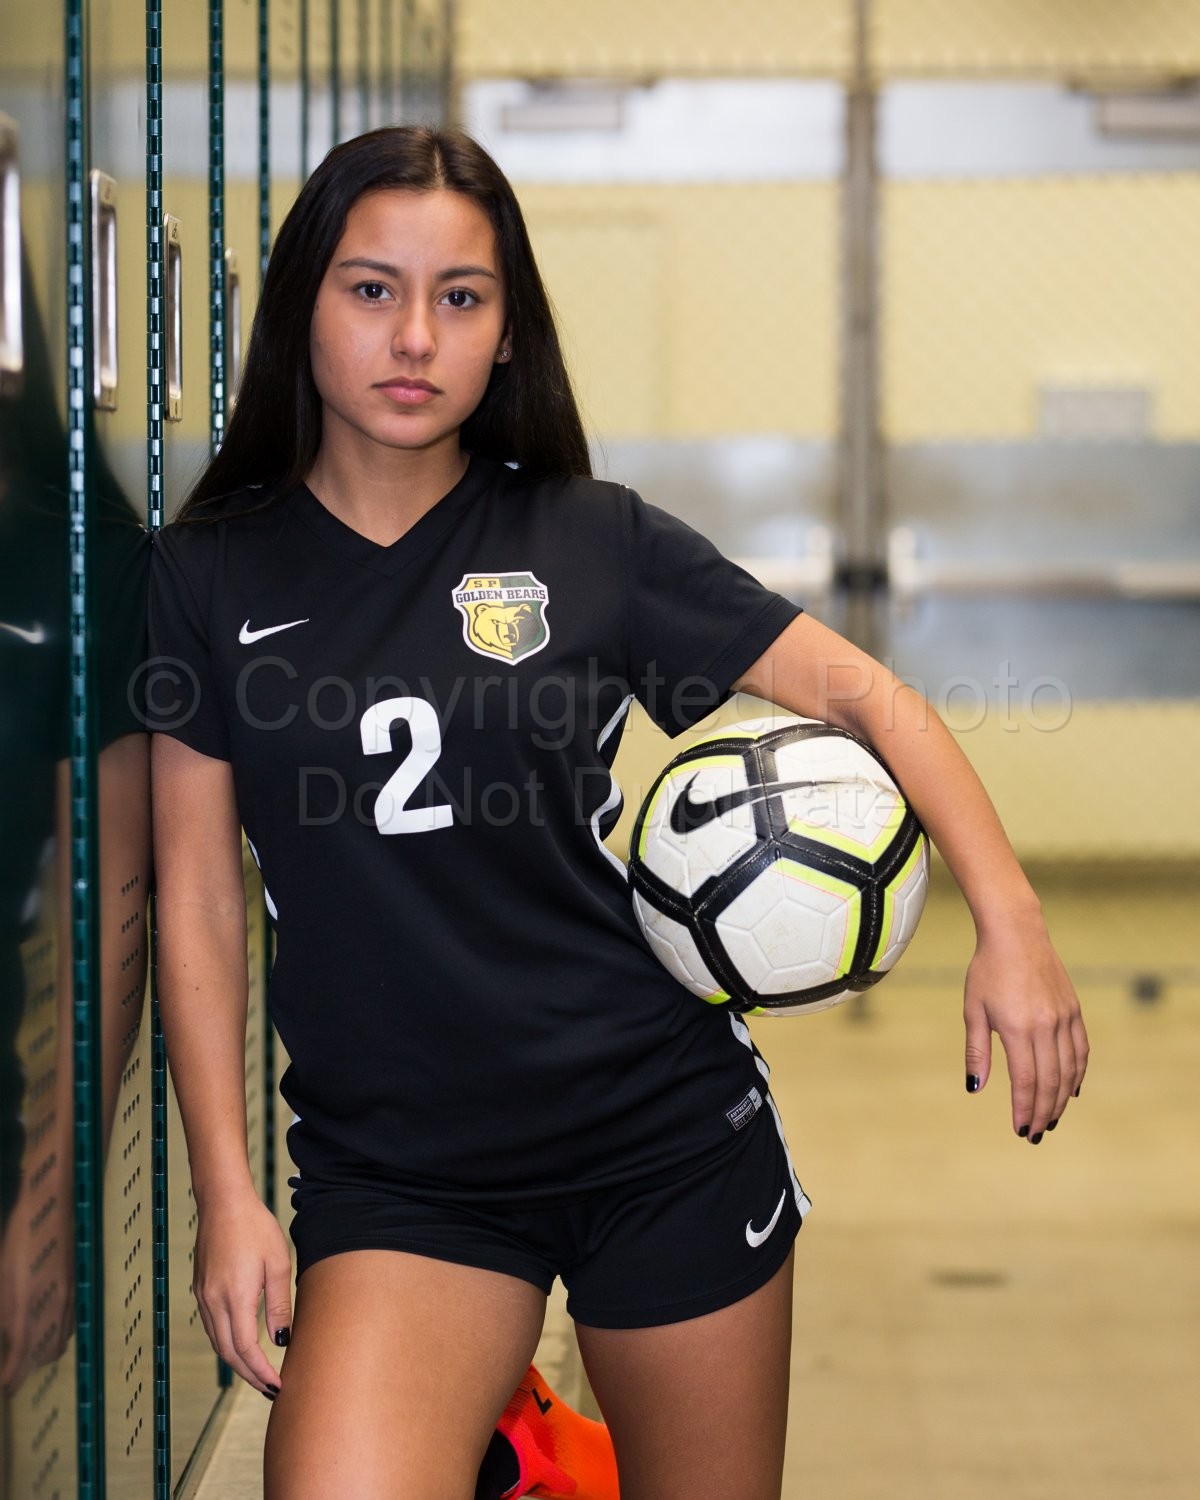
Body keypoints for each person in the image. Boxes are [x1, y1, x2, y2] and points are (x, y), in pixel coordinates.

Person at [147, 125, 1088, 1500]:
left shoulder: (591, 540)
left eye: (461, 298)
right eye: (372, 289)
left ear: (507, 334)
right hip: (408, 1176)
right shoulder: (207, 578)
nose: (416, 337)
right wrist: (225, 1195)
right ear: (301, 306)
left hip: (662, 1137)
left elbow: (870, 698)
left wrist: (1013, 920)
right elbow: (195, 895)